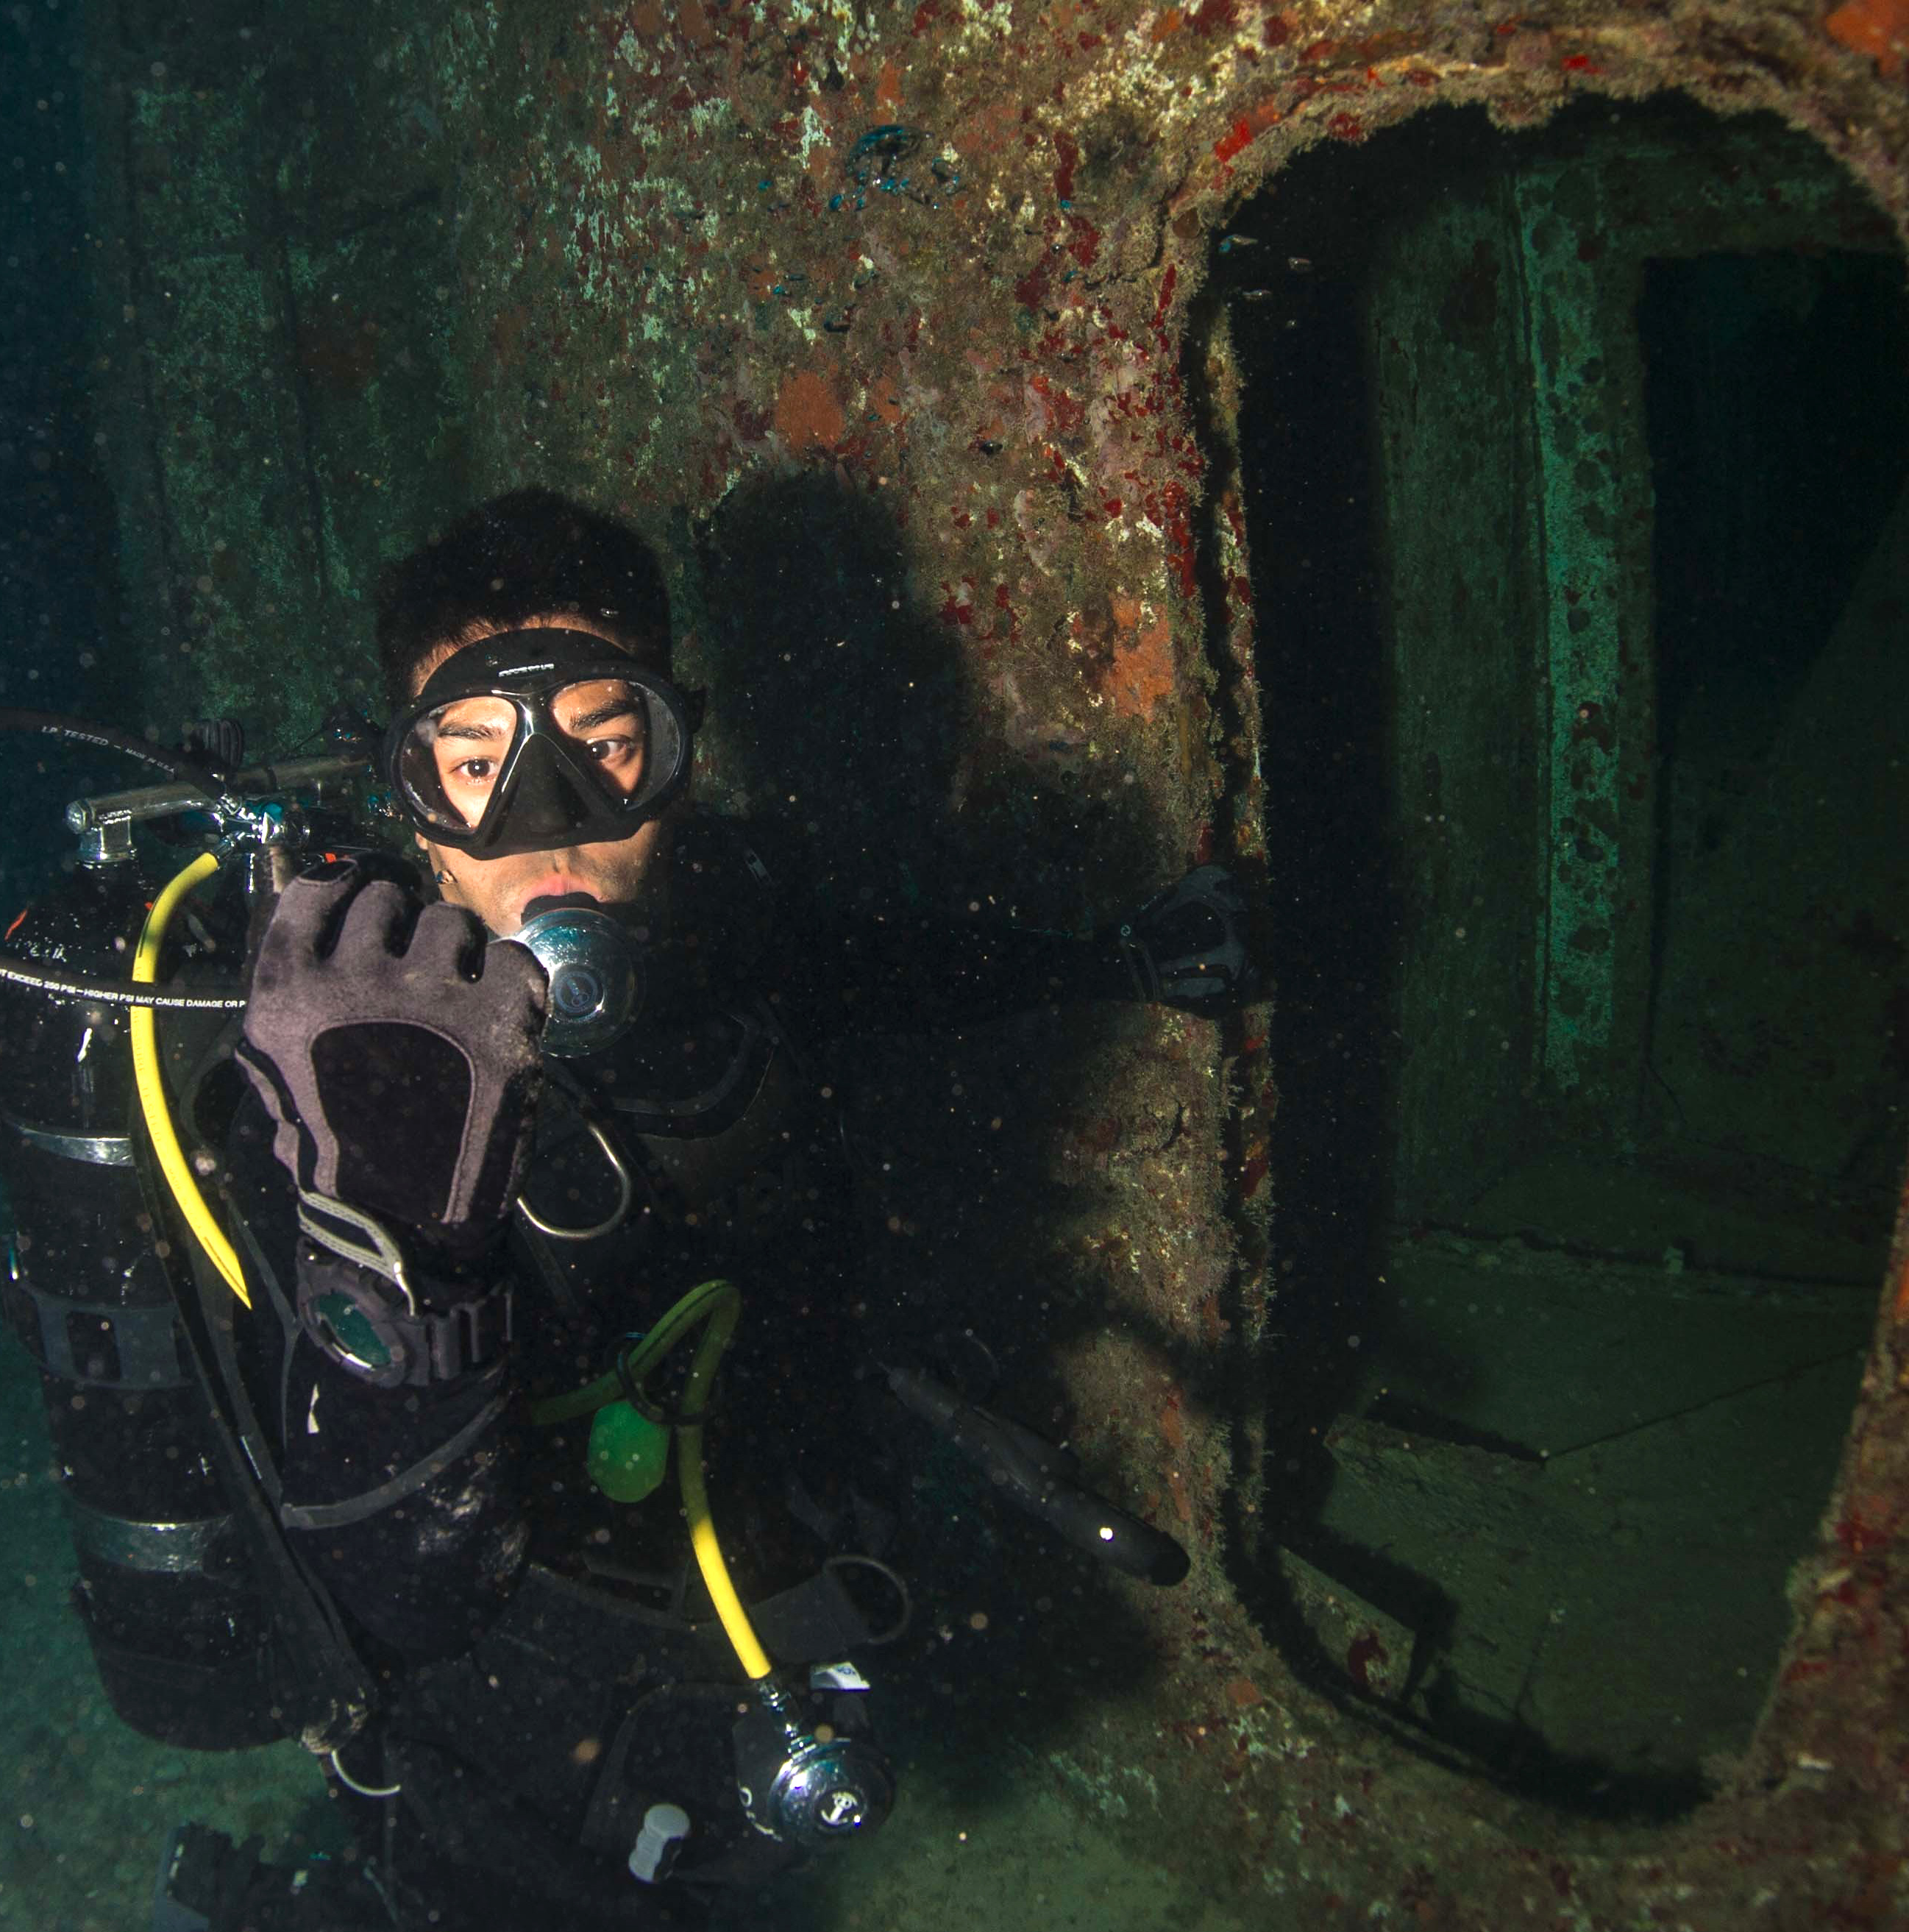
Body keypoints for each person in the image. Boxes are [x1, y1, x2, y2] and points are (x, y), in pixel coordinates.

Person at [140, 489, 1251, 1929]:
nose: (552, 831)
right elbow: (395, 1595)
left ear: (678, 750)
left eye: (605, 744)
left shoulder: (717, 907)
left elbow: (869, 970)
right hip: (500, 1756)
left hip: (746, 1653)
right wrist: (389, 1225)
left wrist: (1106, 958)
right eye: (475, 761)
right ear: (404, 790)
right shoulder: (333, 1079)